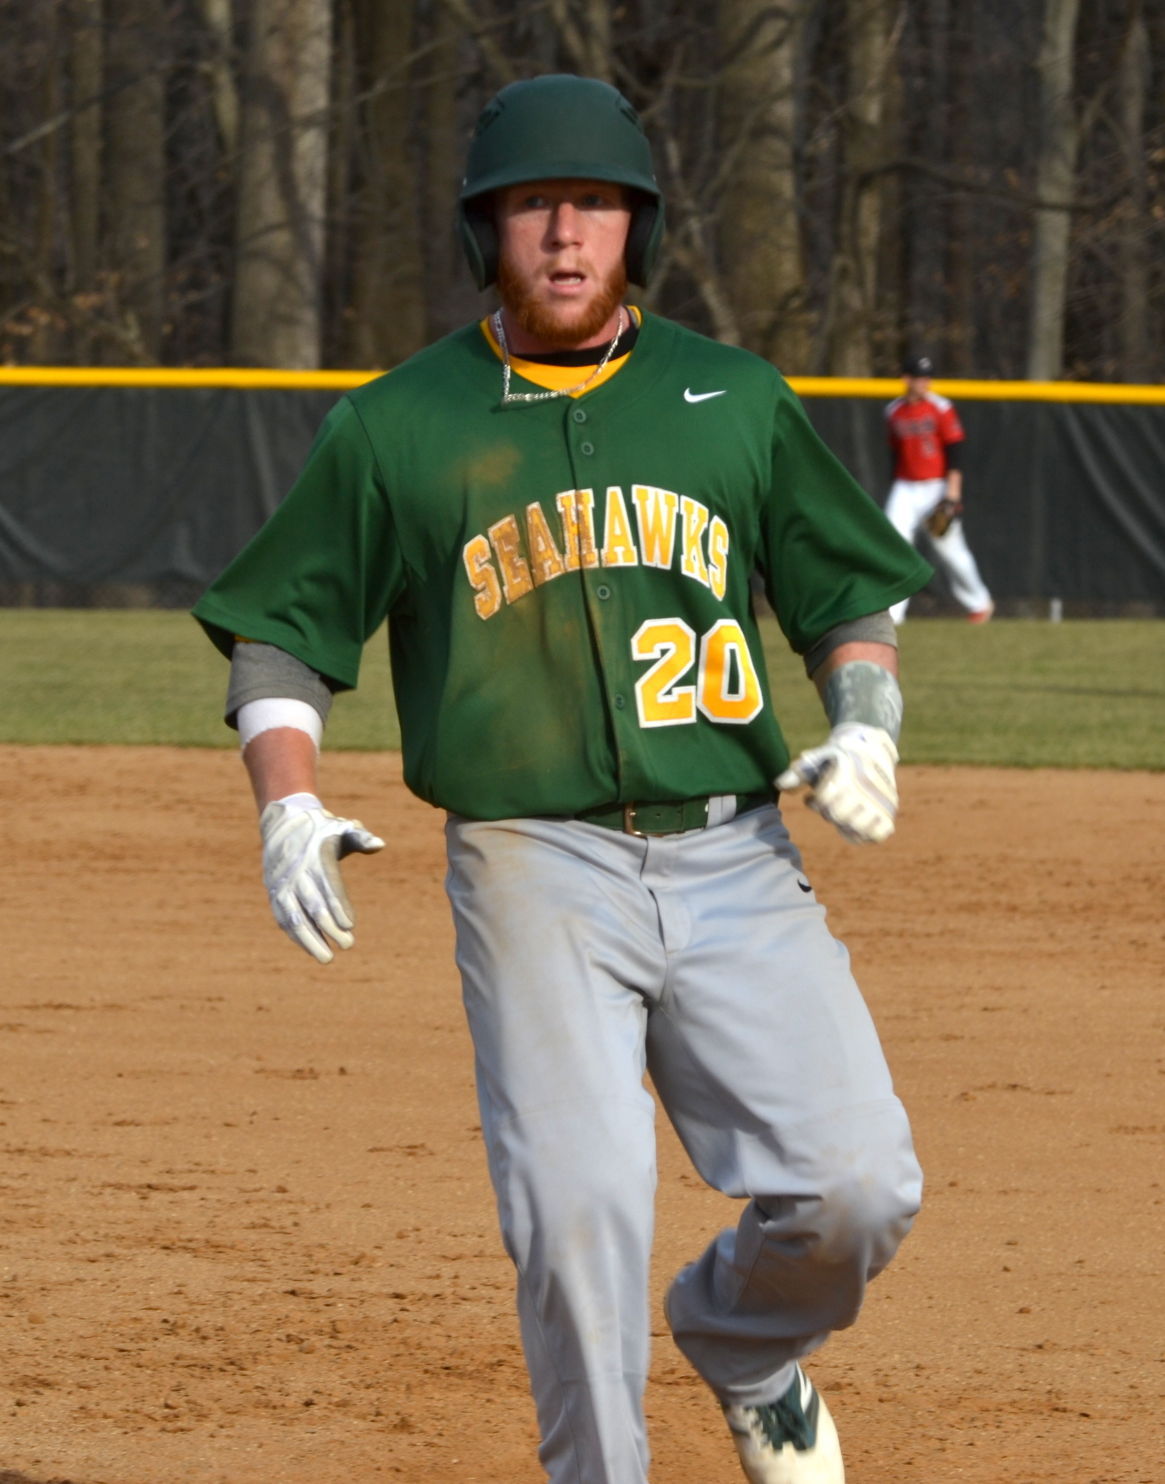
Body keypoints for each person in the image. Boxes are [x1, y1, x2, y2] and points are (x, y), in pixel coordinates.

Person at [193, 74, 933, 1484]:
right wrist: (284, 798)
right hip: (533, 865)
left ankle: (744, 1340)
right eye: (531, 204)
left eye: (591, 203)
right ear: (489, 233)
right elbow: (282, 634)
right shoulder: (401, 424)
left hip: (736, 857)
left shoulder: (734, 399)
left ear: (635, 227)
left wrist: (867, 720)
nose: (564, 232)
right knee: (577, 1217)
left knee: (857, 1191)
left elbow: (849, 592)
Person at [883, 353, 994, 624]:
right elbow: (895, 453)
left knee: (951, 550)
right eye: (919, 377)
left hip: (936, 486)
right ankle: (893, 614)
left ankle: (980, 602)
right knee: (895, 546)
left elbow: (956, 451)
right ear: (906, 379)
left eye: (927, 377)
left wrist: (952, 493)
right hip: (905, 487)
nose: (924, 382)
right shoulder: (893, 411)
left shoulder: (941, 407)